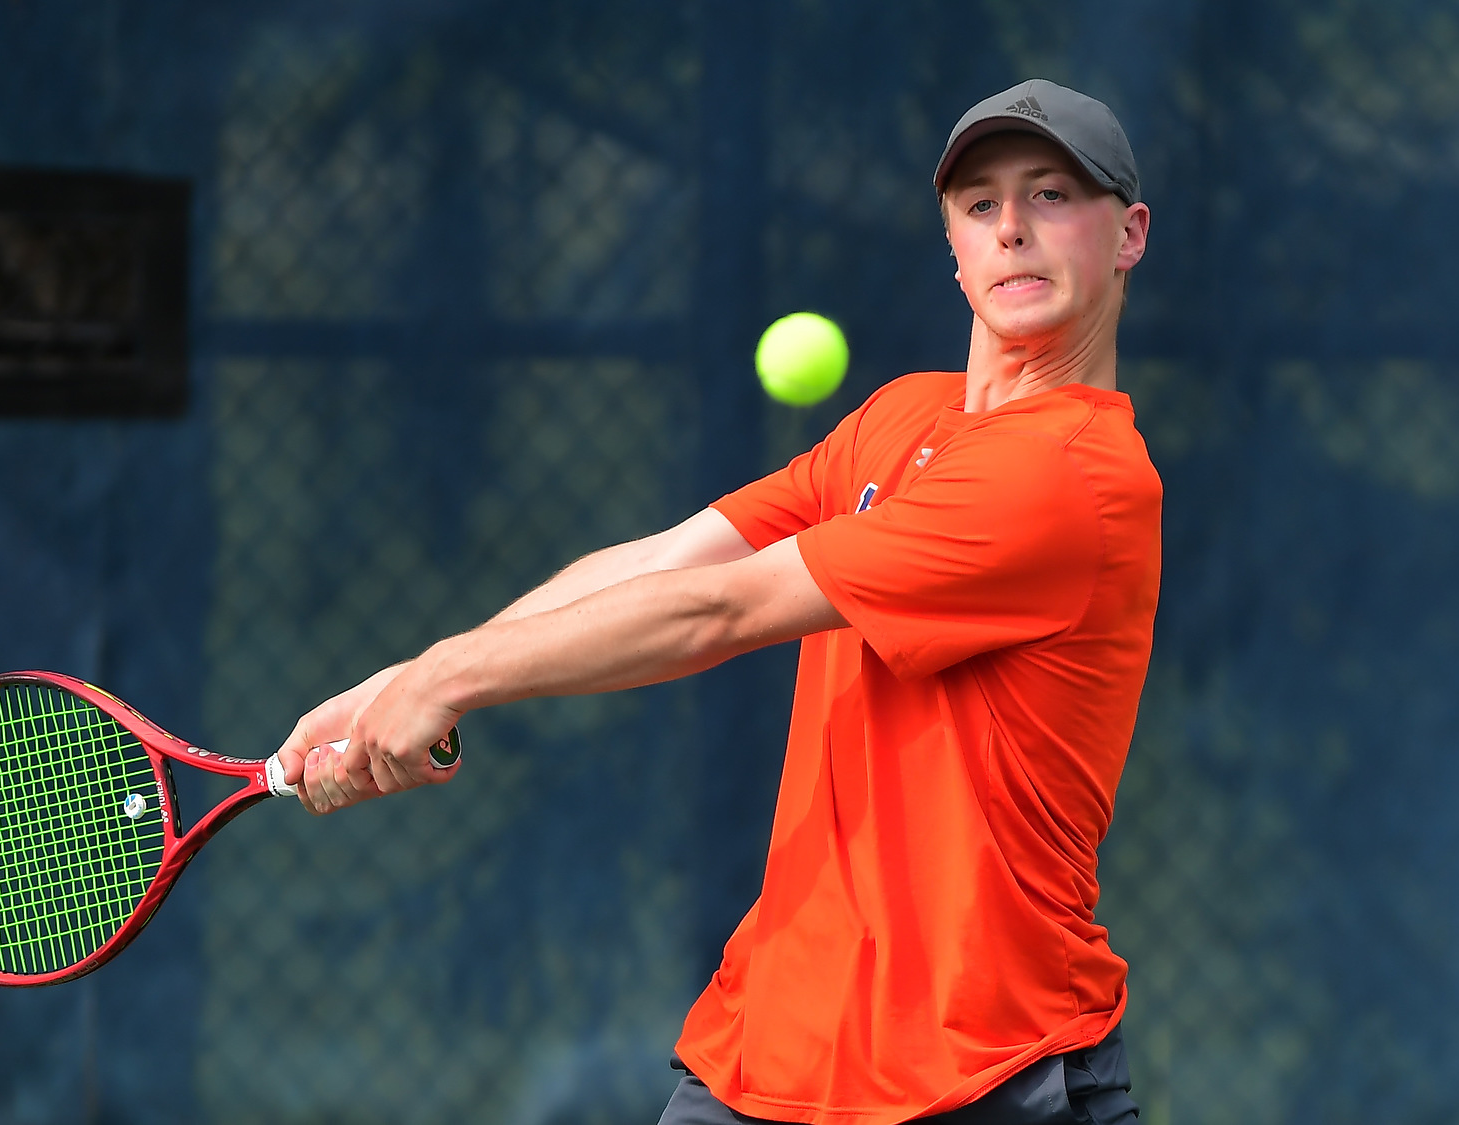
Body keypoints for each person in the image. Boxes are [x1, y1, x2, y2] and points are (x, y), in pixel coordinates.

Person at [277, 78, 1159, 1125]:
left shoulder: (1070, 472)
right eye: (979, 205)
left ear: (1127, 235)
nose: (1011, 228)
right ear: (953, 249)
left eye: (1051, 194)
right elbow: (671, 560)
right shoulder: (899, 417)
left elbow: (720, 612)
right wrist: (400, 678)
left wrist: (449, 679)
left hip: (991, 1074)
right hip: (767, 1055)